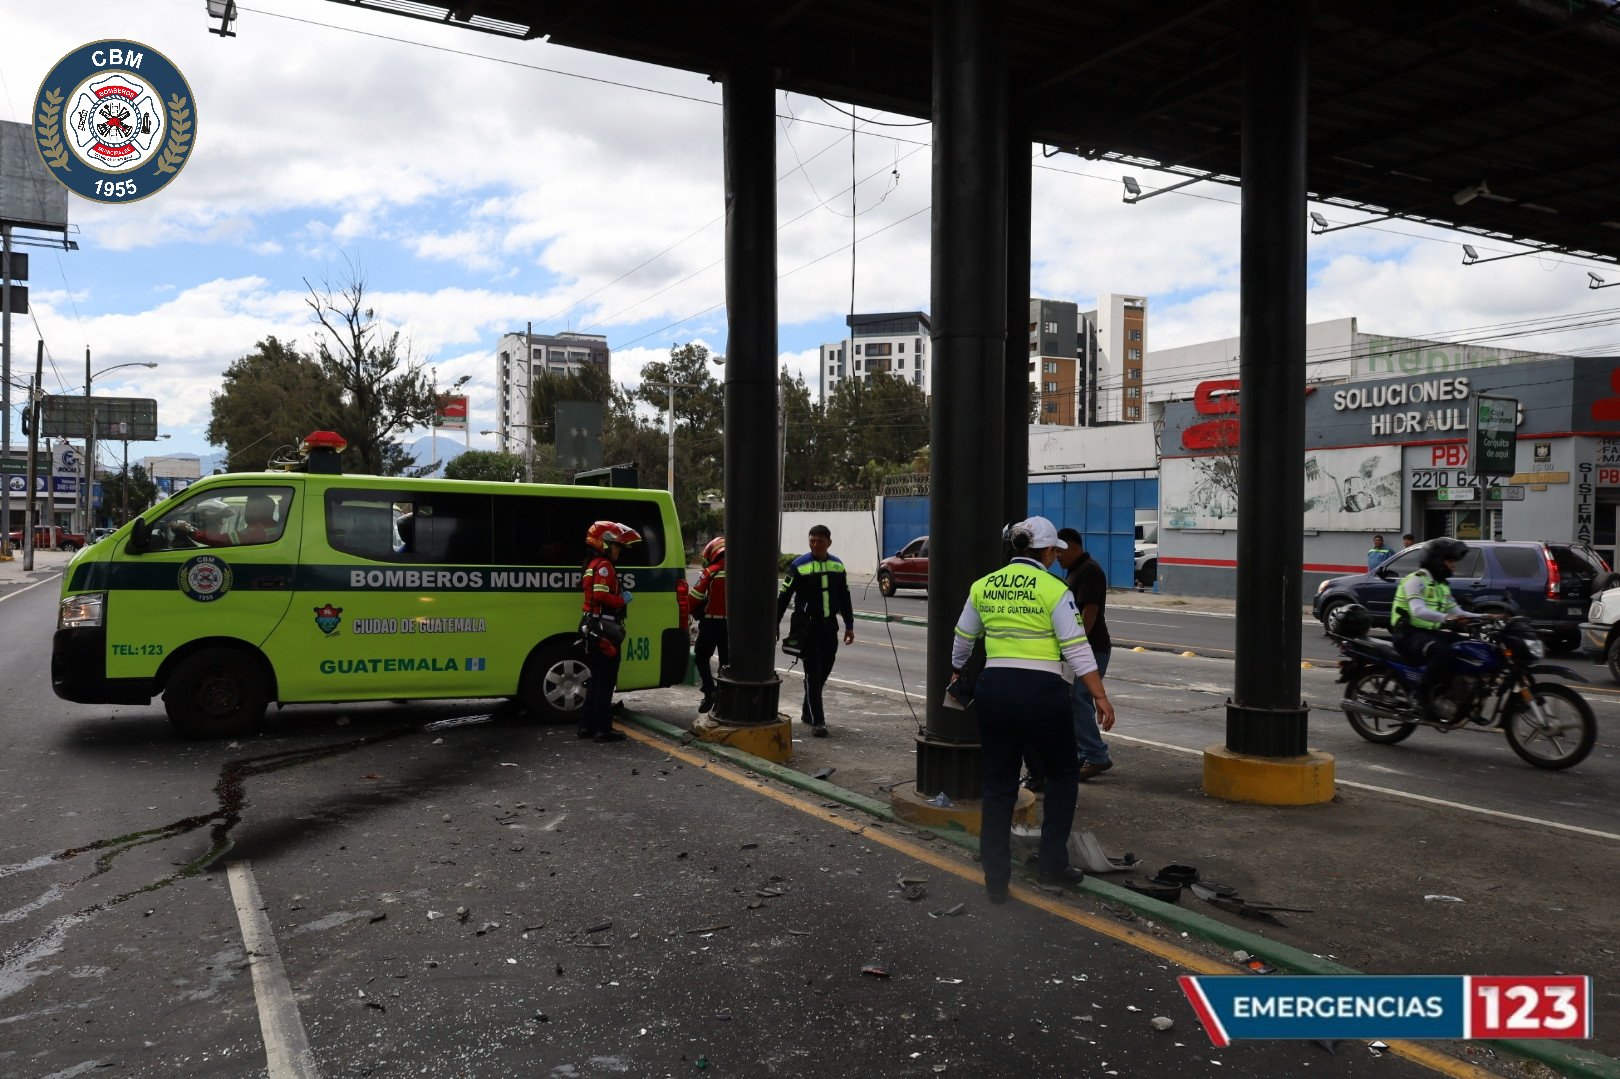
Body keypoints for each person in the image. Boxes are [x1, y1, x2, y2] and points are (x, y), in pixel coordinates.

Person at [951, 516, 1115, 905]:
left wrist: (958, 671)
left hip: (993, 690)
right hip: (1041, 692)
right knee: (1061, 773)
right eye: (1054, 551)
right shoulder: (1054, 588)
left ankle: (995, 879)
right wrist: (1100, 696)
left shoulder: (983, 585)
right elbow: (1076, 646)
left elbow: (962, 639)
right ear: (1045, 552)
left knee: (998, 785)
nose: (1056, 556)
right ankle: (1052, 868)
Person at [1390, 536, 1498, 717]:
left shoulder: (1442, 586)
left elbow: (1457, 611)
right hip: (1407, 634)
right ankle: (1420, 694)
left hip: (1429, 633)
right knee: (1443, 652)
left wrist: (1487, 617)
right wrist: (1448, 618)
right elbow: (1418, 611)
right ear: (1436, 561)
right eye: (1450, 561)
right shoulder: (1415, 580)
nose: (1453, 566)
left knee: (1467, 647)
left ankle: (1448, 692)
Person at [777, 523, 854, 737]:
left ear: (828, 542)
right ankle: (818, 721)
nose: (815, 544)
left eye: (819, 541)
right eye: (812, 540)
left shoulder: (837, 566)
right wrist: (774, 623)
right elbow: (784, 596)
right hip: (806, 627)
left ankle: (806, 711)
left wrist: (849, 624)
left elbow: (844, 596)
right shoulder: (799, 565)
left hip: (829, 626)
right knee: (813, 672)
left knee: (824, 671)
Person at [1055, 527, 1114, 780]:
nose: (1056, 555)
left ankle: (1096, 755)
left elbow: (1089, 612)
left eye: (1059, 550)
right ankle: (1082, 753)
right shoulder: (1075, 571)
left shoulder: (1089, 570)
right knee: (1072, 699)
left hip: (1092, 647)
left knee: (1079, 697)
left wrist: (1077, 645)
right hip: (1082, 647)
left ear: (1072, 546)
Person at [579, 520, 641, 744]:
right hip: (604, 629)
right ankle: (603, 730)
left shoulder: (593, 564)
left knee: (596, 681)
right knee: (605, 682)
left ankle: (586, 726)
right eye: (617, 546)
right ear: (604, 544)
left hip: (593, 627)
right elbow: (600, 595)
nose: (619, 550)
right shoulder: (604, 566)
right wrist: (621, 600)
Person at [689, 535, 728, 714]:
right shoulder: (741, 571)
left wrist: (687, 612)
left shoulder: (710, 571)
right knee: (726, 662)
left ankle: (709, 690)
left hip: (711, 622)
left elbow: (694, 598)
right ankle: (725, 696)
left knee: (701, 657)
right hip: (732, 625)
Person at [172, 492, 280, 547]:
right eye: (248, 508)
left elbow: (226, 540)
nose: (248, 512)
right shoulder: (272, 526)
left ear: (268, 511)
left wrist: (190, 531)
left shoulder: (260, 530)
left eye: (254, 509)